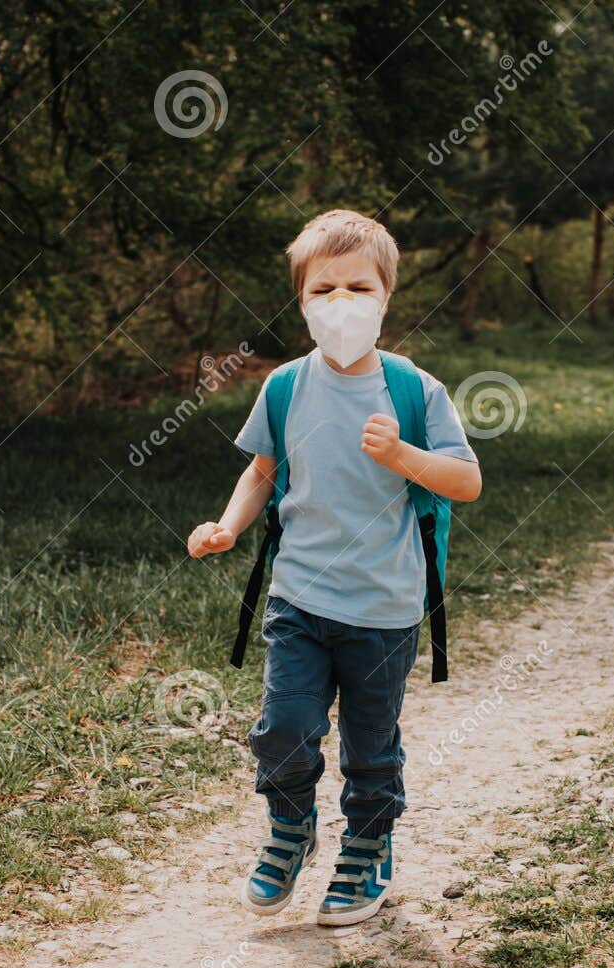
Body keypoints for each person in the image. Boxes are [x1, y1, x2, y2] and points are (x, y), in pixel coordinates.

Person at [188, 209, 482, 925]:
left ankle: (367, 847)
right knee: (283, 728)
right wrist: (228, 525)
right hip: (299, 599)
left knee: (370, 748)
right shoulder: (286, 386)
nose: (342, 303)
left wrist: (404, 457)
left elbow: (467, 481)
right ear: (302, 302)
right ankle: (291, 830)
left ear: (386, 296)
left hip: (383, 610)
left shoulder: (414, 390)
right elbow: (263, 471)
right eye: (325, 289)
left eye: (359, 286)